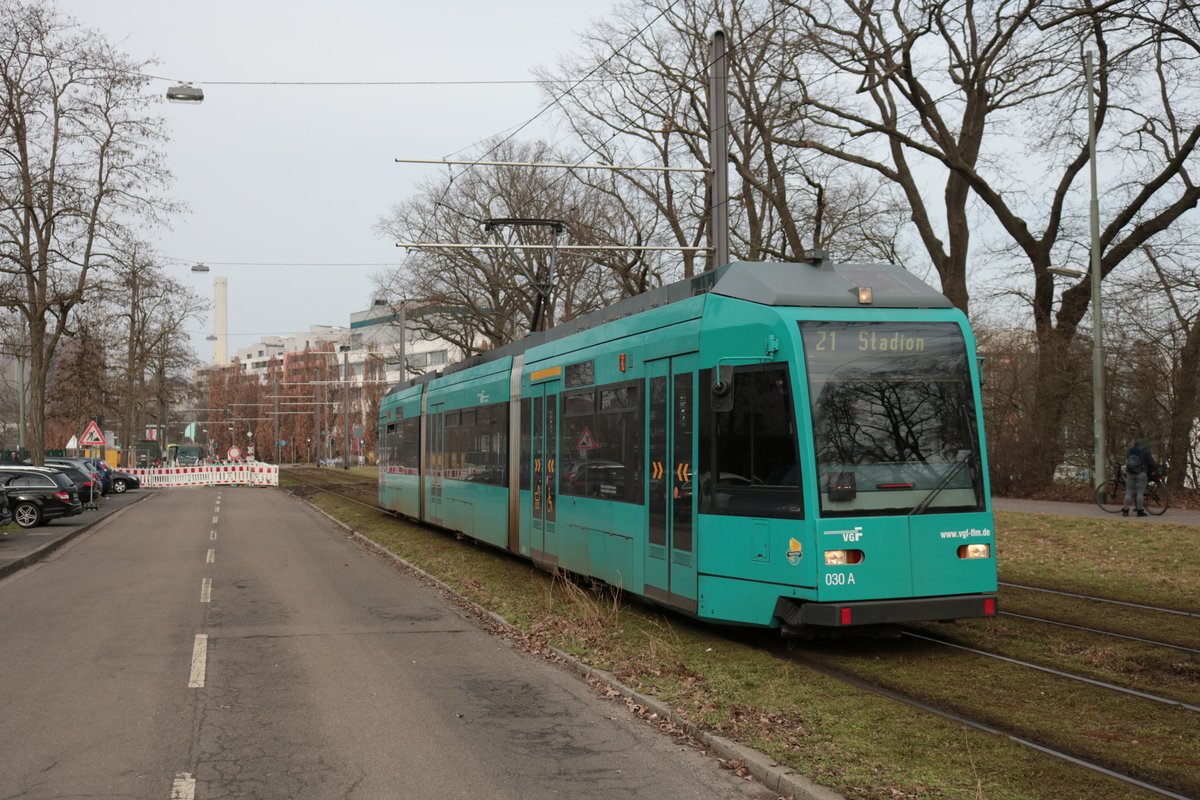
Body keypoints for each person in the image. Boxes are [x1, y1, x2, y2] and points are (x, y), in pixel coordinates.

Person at [1121, 439, 1158, 517]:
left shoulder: (1130, 450)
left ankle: (1125, 511)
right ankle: (1139, 511)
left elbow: (1127, 458)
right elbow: (1151, 463)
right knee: (1140, 493)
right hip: (1141, 473)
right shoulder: (1146, 451)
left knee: (1128, 492)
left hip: (1130, 473)